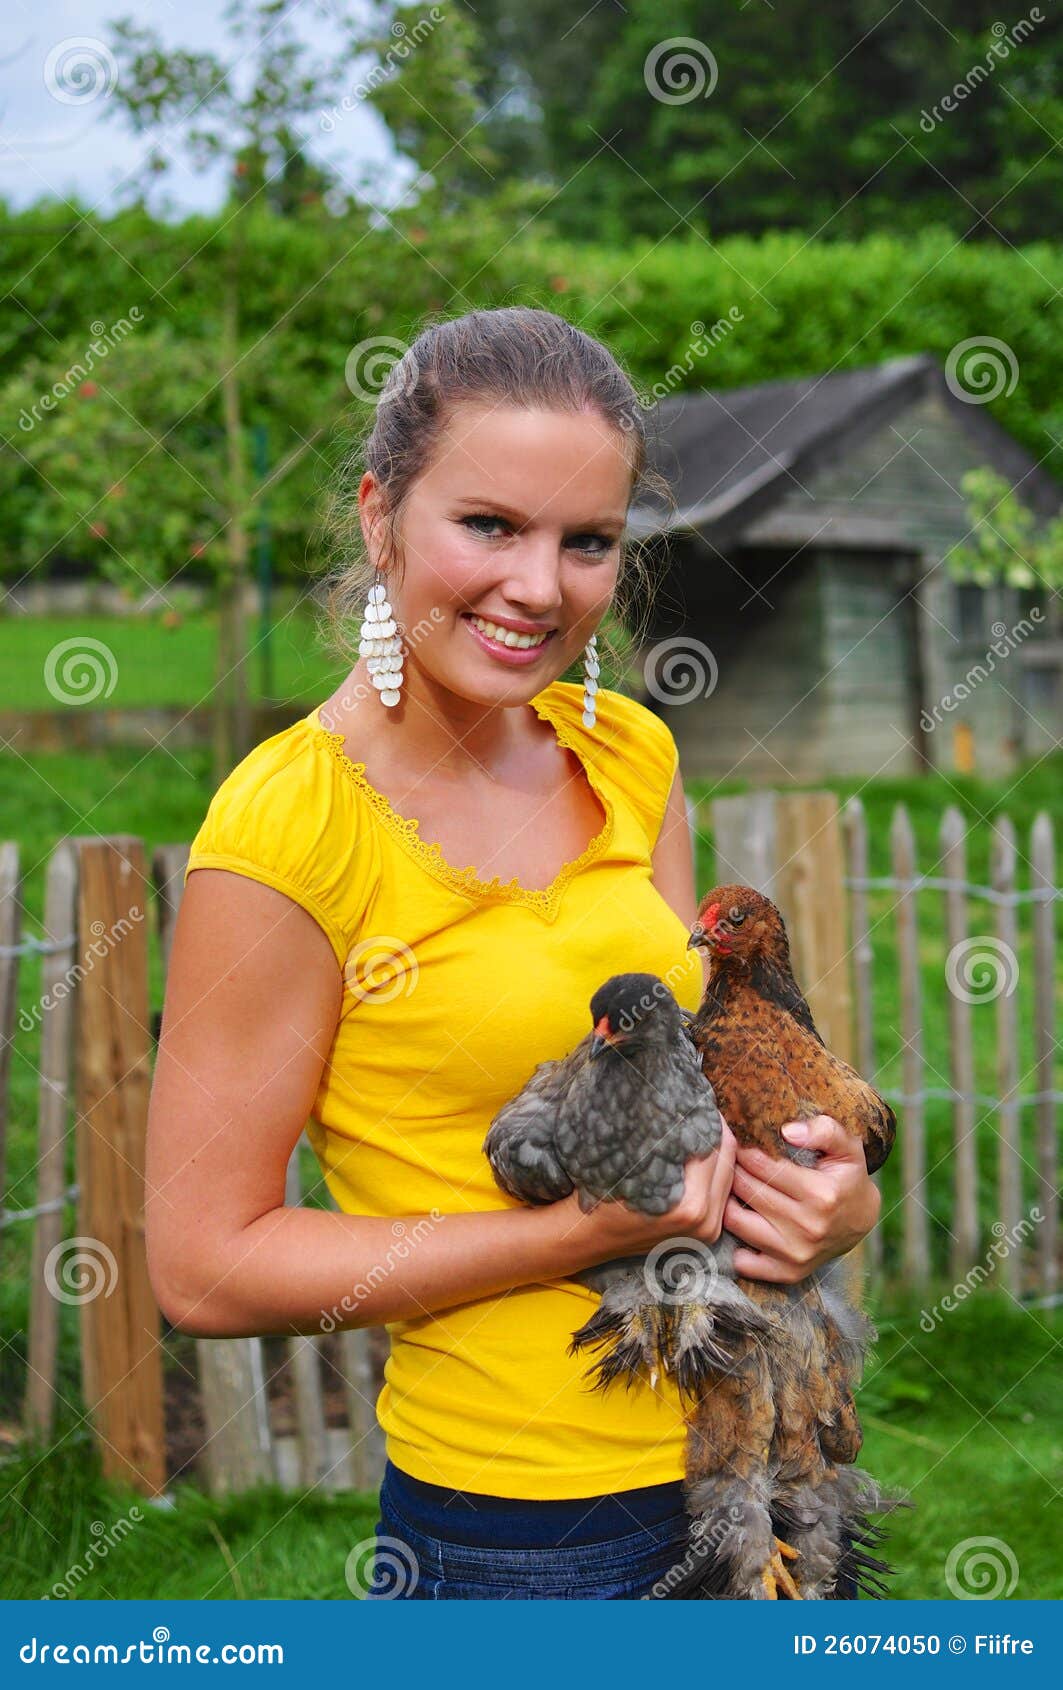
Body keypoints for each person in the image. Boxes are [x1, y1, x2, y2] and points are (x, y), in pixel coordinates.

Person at [146, 305, 880, 1600]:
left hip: (762, 1463)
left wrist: (831, 1204)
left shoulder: (629, 756)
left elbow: (698, 1092)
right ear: (381, 517)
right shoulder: (287, 827)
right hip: (524, 1534)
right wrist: (566, 1235)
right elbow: (205, 1262)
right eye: (489, 525)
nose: (541, 586)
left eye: (587, 541)